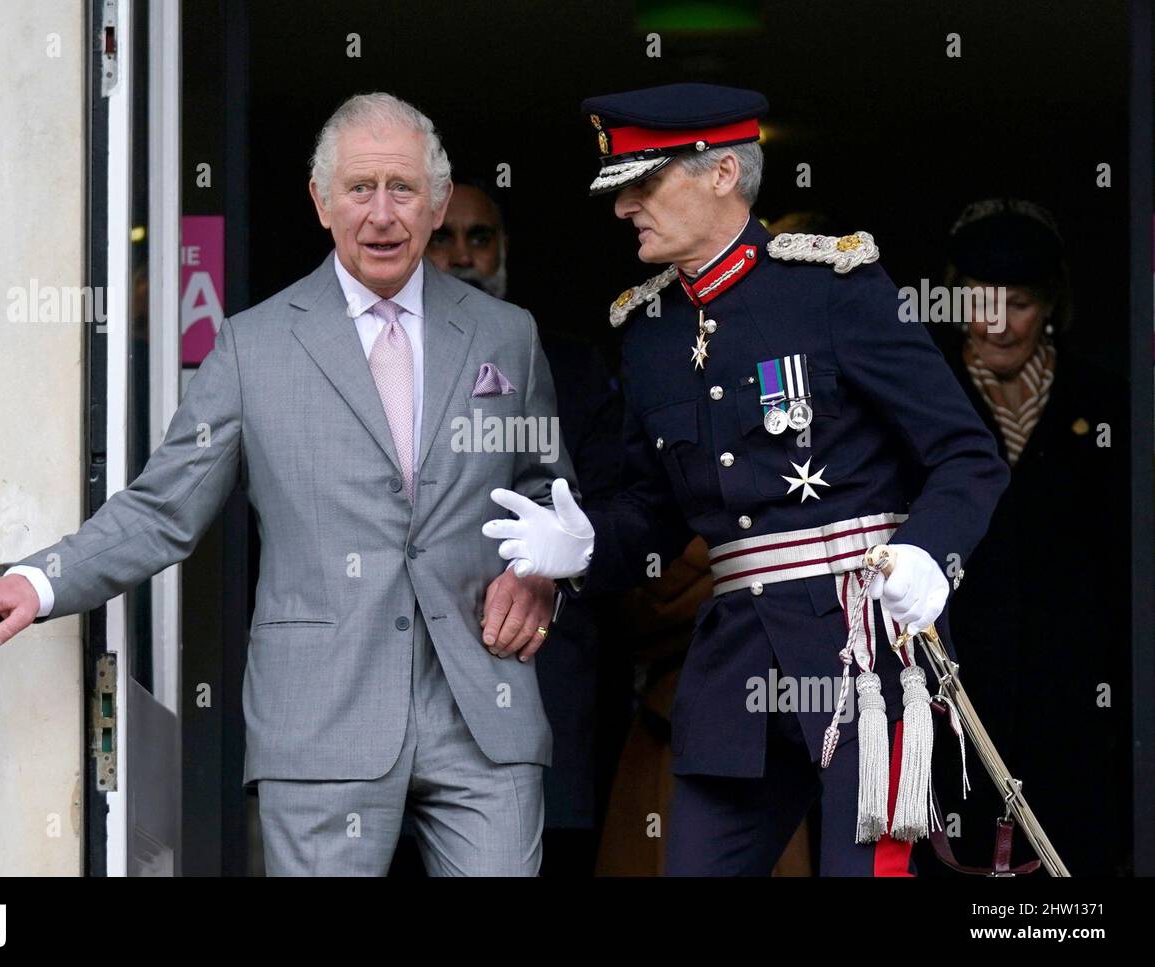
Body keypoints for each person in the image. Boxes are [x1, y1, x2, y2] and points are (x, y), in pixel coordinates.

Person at [0, 92, 575, 876]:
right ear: (320, 201)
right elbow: (163, 508)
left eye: (403, 190)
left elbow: (548, 490)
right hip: (322, 716)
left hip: (483, 705)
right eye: (359, 189)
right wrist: (39, 581)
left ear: (437, 200)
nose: (382, 214)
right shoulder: (252, 346)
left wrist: (543, 571)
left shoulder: (505, 335)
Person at [482, 82, 1011, 876]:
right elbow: (653, 510)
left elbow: (967, 453)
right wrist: (588, 544)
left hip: (860, 650)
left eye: (644, 184)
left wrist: (932, 556)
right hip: (735, 667)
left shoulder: (831, 288)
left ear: (722, 174)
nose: (625, 209)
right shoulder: (647, 329)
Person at [426, 177, 625, 875]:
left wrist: (561, 560)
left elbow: (618, 509)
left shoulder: (568, 364)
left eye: (480, 237)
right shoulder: (370, 359)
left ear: (505, 249)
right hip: (403, 689)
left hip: (540, 675)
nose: (462, 256)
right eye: (442, 237)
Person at [929, 198, 1131, 876]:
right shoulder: (924, 395)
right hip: (952, 701)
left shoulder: (1108, 405)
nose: (999, 324)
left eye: (1019, 302)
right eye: (982, 301)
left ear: (1051, 306)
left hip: (1076, 705)